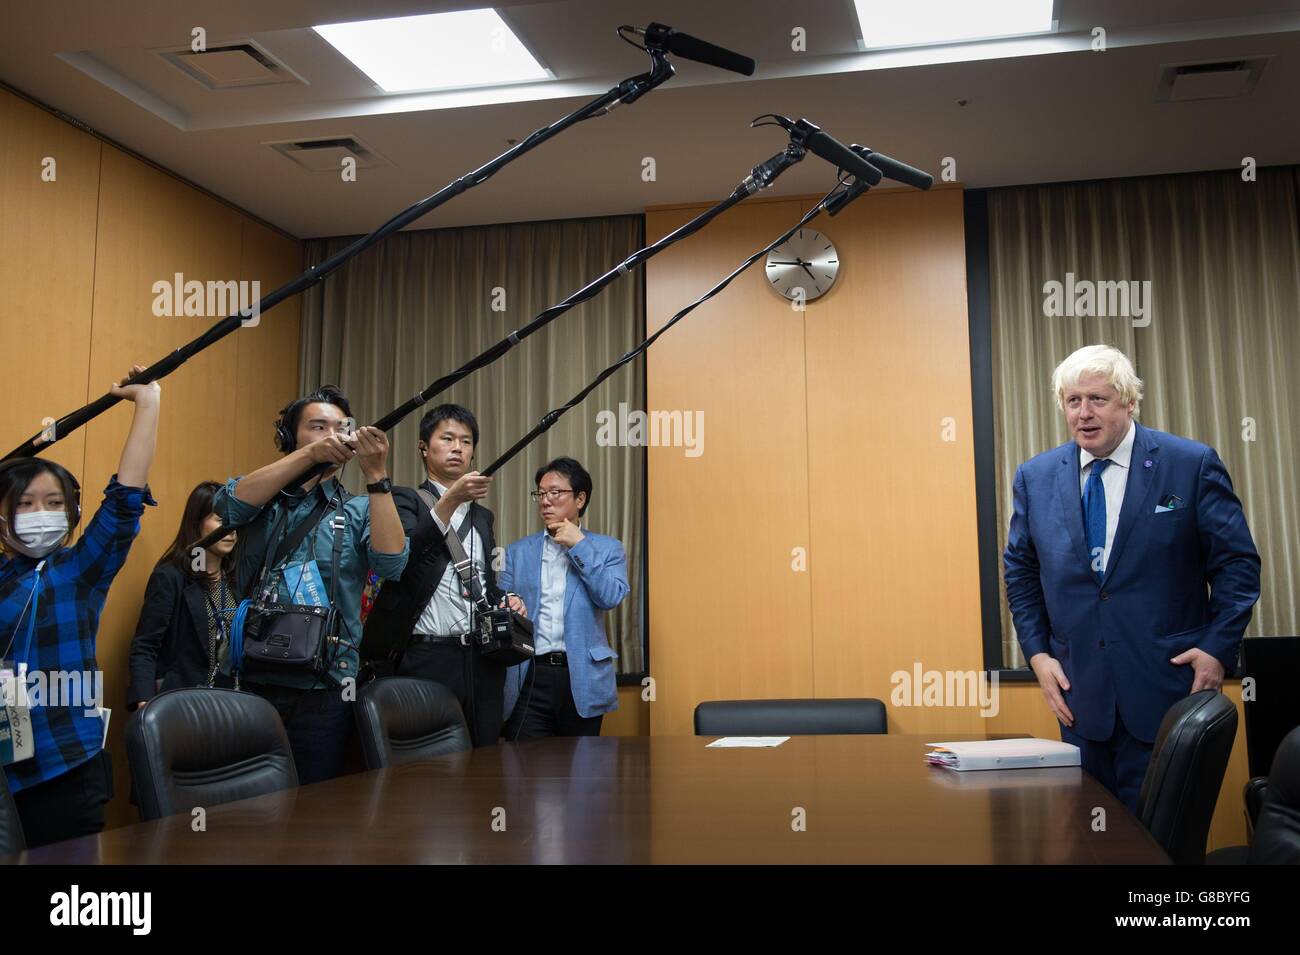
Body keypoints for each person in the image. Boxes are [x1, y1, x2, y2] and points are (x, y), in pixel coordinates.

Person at [1003, 344, 1260, 812]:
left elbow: (1238, 565)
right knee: (1088, 843)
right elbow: (1020, 572)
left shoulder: (1189, 464)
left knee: (1160, 845)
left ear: (1129, 401)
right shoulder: (1035, 477)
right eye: (1072, 401)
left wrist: (1217, 647)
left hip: (1170, 687)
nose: (1083, 413)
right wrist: (1038, 654)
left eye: (1097, 399)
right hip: (1080, 698)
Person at [213, 385, 407, 784]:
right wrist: (309, 457)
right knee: (248, 802)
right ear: (289, 436)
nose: (333, 436)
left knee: (313, 806)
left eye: (341, 428)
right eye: (318, 427)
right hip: (252, 676)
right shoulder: (263, 500)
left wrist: (376, 475)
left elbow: (391, 563)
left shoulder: (354, 508)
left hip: (326, 685)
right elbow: (226, 506)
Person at [0, 364, 160, 848]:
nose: (40, 515)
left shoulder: (83, 568)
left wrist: (148, 402)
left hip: (67, 760)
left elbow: (124, 500)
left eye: (53, 503)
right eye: (24, 504)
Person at [365, 404, 525, 747]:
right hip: (426, 657)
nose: (458, 448)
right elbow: (404, 561)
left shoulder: (483, 516)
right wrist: (450, 500)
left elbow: (485, 581)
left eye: (466, 442)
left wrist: (505, 600)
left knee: (484, 756)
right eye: (447, 438)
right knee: (428, 764)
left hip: (482, 659)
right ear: (424, 447)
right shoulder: (403, 499)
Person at [502, 457, 629, 741]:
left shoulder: (608, 548)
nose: (545, 501)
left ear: (580, 498)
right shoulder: (517, 551)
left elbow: (610, 597)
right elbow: (503, 600)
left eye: (555, 492)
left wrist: (579, 546)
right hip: (529, 675)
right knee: (523, 772)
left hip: (581, 676)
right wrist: (508, 602)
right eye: (540, 493)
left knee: (582, 773)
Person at [127, 481, 238, 711]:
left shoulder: (237, 578)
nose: (231, 529)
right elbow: (146, 645)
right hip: (181, 704)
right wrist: (144, 703)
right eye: (220, 519)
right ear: (197, 523)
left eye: (234, 519)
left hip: (228, 705)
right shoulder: (171, 576)